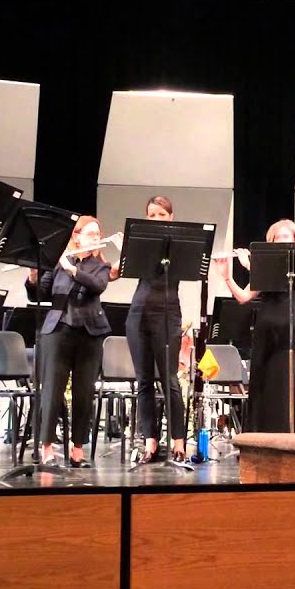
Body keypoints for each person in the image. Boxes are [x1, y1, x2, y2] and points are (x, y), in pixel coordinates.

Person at [27, 216, 112, 467]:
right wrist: (33, 276)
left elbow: (97, 286)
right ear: (76, 237)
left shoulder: (99, 266)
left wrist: (72, 270)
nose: (96, 238)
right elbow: (40, 294)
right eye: (91, 234)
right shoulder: (58, 262)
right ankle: (47, 448)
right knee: (52, 390)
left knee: (84, 393)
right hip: (58, 331)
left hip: (90, 333)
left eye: (98, 234)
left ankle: (77, 450)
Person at [213, 219, 295, 433]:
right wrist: (228, 277)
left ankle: (293, 435)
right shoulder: (263, 271)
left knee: (288, 384)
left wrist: (252, 265)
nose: (281, 241)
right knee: (266, 385)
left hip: (290, 331)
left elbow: (280, 277)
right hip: (266, 331)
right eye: (277, 238)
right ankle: (263, 437)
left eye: (286, 237)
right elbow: (243, 297)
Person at [110, 196, 188, 463]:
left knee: (170, 381)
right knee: (143, 381)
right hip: (138, 314)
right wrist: (127, 251)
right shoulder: (140, 244)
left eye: (161, 215)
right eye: (151, 215)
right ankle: (150, 443)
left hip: (167, 313)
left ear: (171, 217)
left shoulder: (180, 244)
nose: (155, 219)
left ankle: (179, 444)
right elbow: (125, 271)